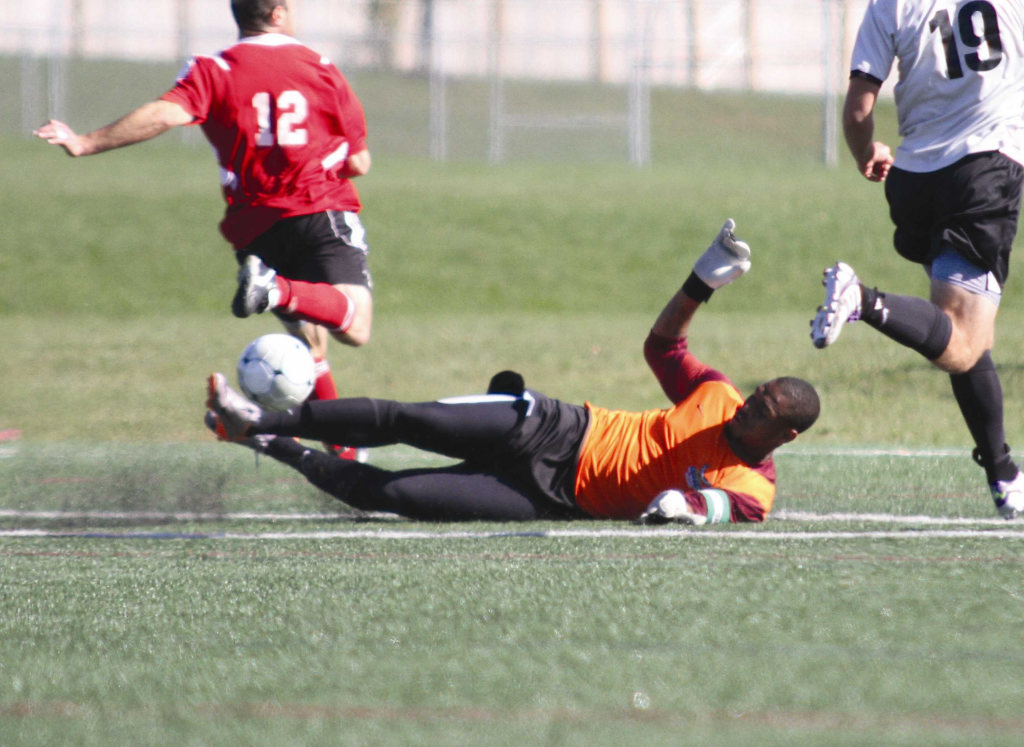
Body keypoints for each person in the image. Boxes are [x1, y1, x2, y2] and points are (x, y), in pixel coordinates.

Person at [204, 220, 821, 523]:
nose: (746, 405)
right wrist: (699, 282)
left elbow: (707, 509)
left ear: (785, 435)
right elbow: (662, 347)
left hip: (546, 498)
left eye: (761, 410)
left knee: (394, 497)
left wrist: (686, 509)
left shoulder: (755, 494)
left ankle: (266, 439)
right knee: (408, 419)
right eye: (755, 395)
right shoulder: (717, 395)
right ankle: (260, 413)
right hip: (556, 429)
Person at [34, 0, 372, 459]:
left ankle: (345, 453)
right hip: (318, 210)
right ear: (277, 13)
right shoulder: (321, 67)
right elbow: (358, 161)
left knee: (311, 343)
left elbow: (163, 114)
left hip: (255, 227)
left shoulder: (213, 69)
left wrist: (86, 142)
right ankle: (277, 291)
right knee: (356, 324)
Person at [810, 0, 1024, 518]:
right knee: (961, 338)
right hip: (984, 168)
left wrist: (866, 154)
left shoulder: (890, 4)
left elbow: (860, 107)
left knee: (964, 331)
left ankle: (1003, 473)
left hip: (916, 180)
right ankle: (861, 299)